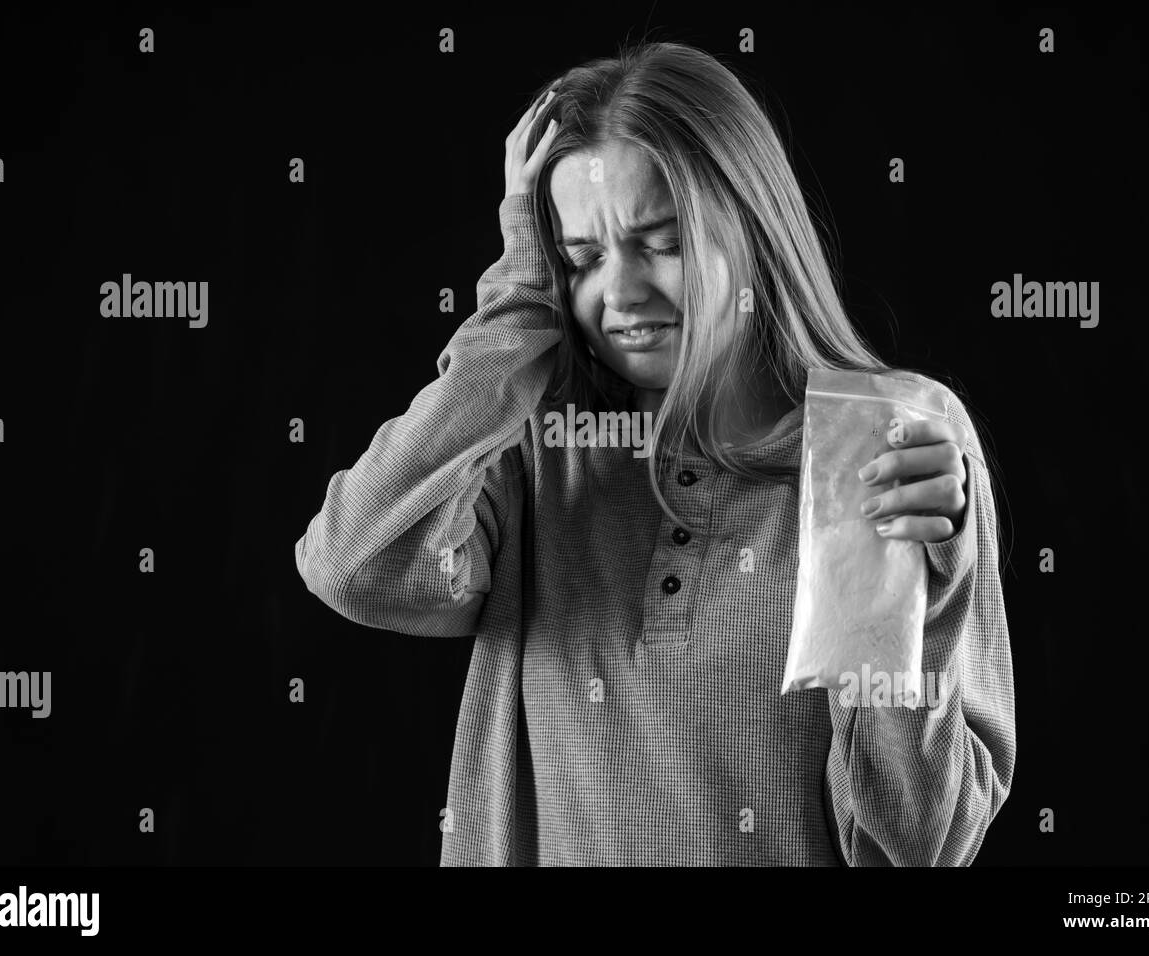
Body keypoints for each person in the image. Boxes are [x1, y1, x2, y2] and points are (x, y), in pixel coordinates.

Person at [294, 41, 1015, 866]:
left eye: (660, 241)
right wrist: (516, 301)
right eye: (580, 258)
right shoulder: (541, 447)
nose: (622, 294)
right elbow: (352, 563)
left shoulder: (873, 438)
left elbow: (920, 843)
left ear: (753, 225)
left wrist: (918, 591)